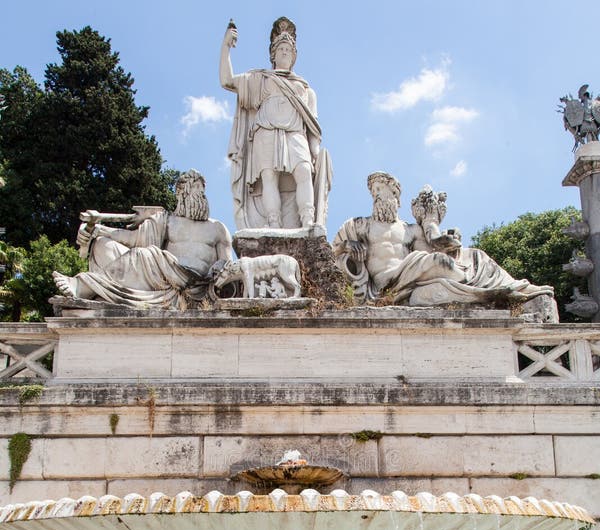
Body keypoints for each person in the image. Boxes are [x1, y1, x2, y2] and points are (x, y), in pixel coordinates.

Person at [333, 172, 554, 310]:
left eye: (381, 190)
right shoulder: (360, 224)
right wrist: (346, 247)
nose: (376, 195)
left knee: (474, 255)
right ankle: (472, 283)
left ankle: (508, 286)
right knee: (436, 262)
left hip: (410, 274)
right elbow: (332, 253)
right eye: (373, 191)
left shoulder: (410, 229)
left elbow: (432, 251)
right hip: (383, 283)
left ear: (395, 194)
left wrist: (439, 234)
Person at [52, 170, 232, 308]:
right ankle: (98, 287)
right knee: (102, 245)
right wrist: (100, 231)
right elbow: (132, 239)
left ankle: (82, 286)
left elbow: (228, 265)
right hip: (162, 277)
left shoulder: (217, 228)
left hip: (196, 283)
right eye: (194, 187)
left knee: (146, 254)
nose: (200, 193)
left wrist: (218, 267)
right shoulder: (166, 221)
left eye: (202, 188)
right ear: (181, 194)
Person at [219, 17, 331, 230]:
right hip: (266, 131)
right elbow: (227, 81)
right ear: (273, 54)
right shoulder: (260, 79)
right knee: (269, 176)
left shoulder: (306, 88)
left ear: (295, 56)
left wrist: (315, 151)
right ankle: (273, 224)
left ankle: (308, 221)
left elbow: (312, 125)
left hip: (295, 131)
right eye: (281, 49)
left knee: (304, 171)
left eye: (289, 49)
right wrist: (226, 47)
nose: (285, 53)